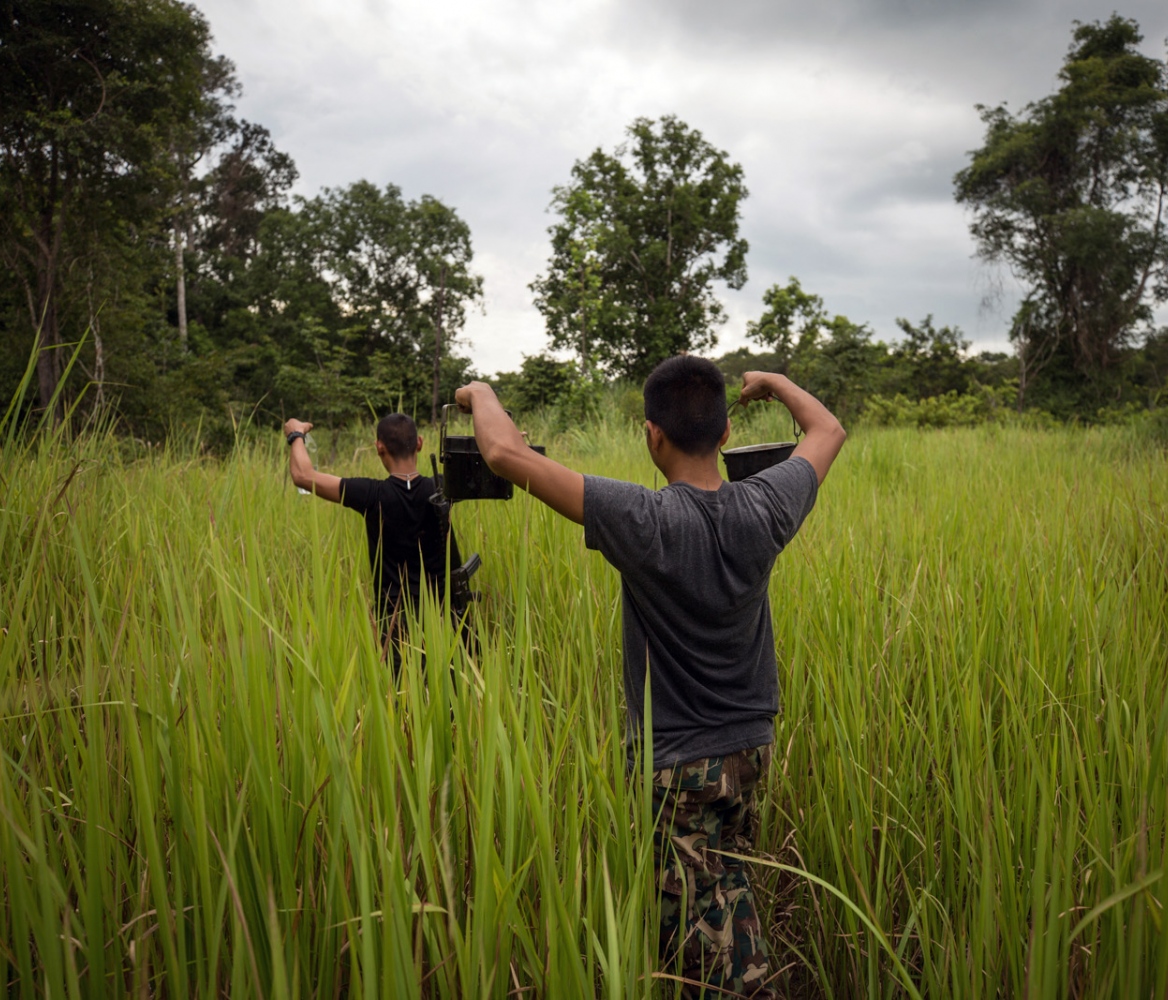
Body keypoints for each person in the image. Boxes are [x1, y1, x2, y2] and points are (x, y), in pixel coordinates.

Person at [453, 357, 845, 998]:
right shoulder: (767, 504)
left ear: (651, 435)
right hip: (751, 752)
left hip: (678, 770)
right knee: (730, 899)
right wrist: (772, 384)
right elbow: (827, 431)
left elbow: (502, 452)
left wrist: (481, 391)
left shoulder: (642, 519)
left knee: (696, 953)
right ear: (724, 436)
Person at [283, 412, 464, 673]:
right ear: (420, 443)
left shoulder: (370, 494)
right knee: (454, 702)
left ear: (379, 447)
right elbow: (497, 471)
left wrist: (296, 434)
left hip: (397, 631)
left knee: (404, 707)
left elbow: (303, 475)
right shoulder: (443, 488)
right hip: (449, 624)